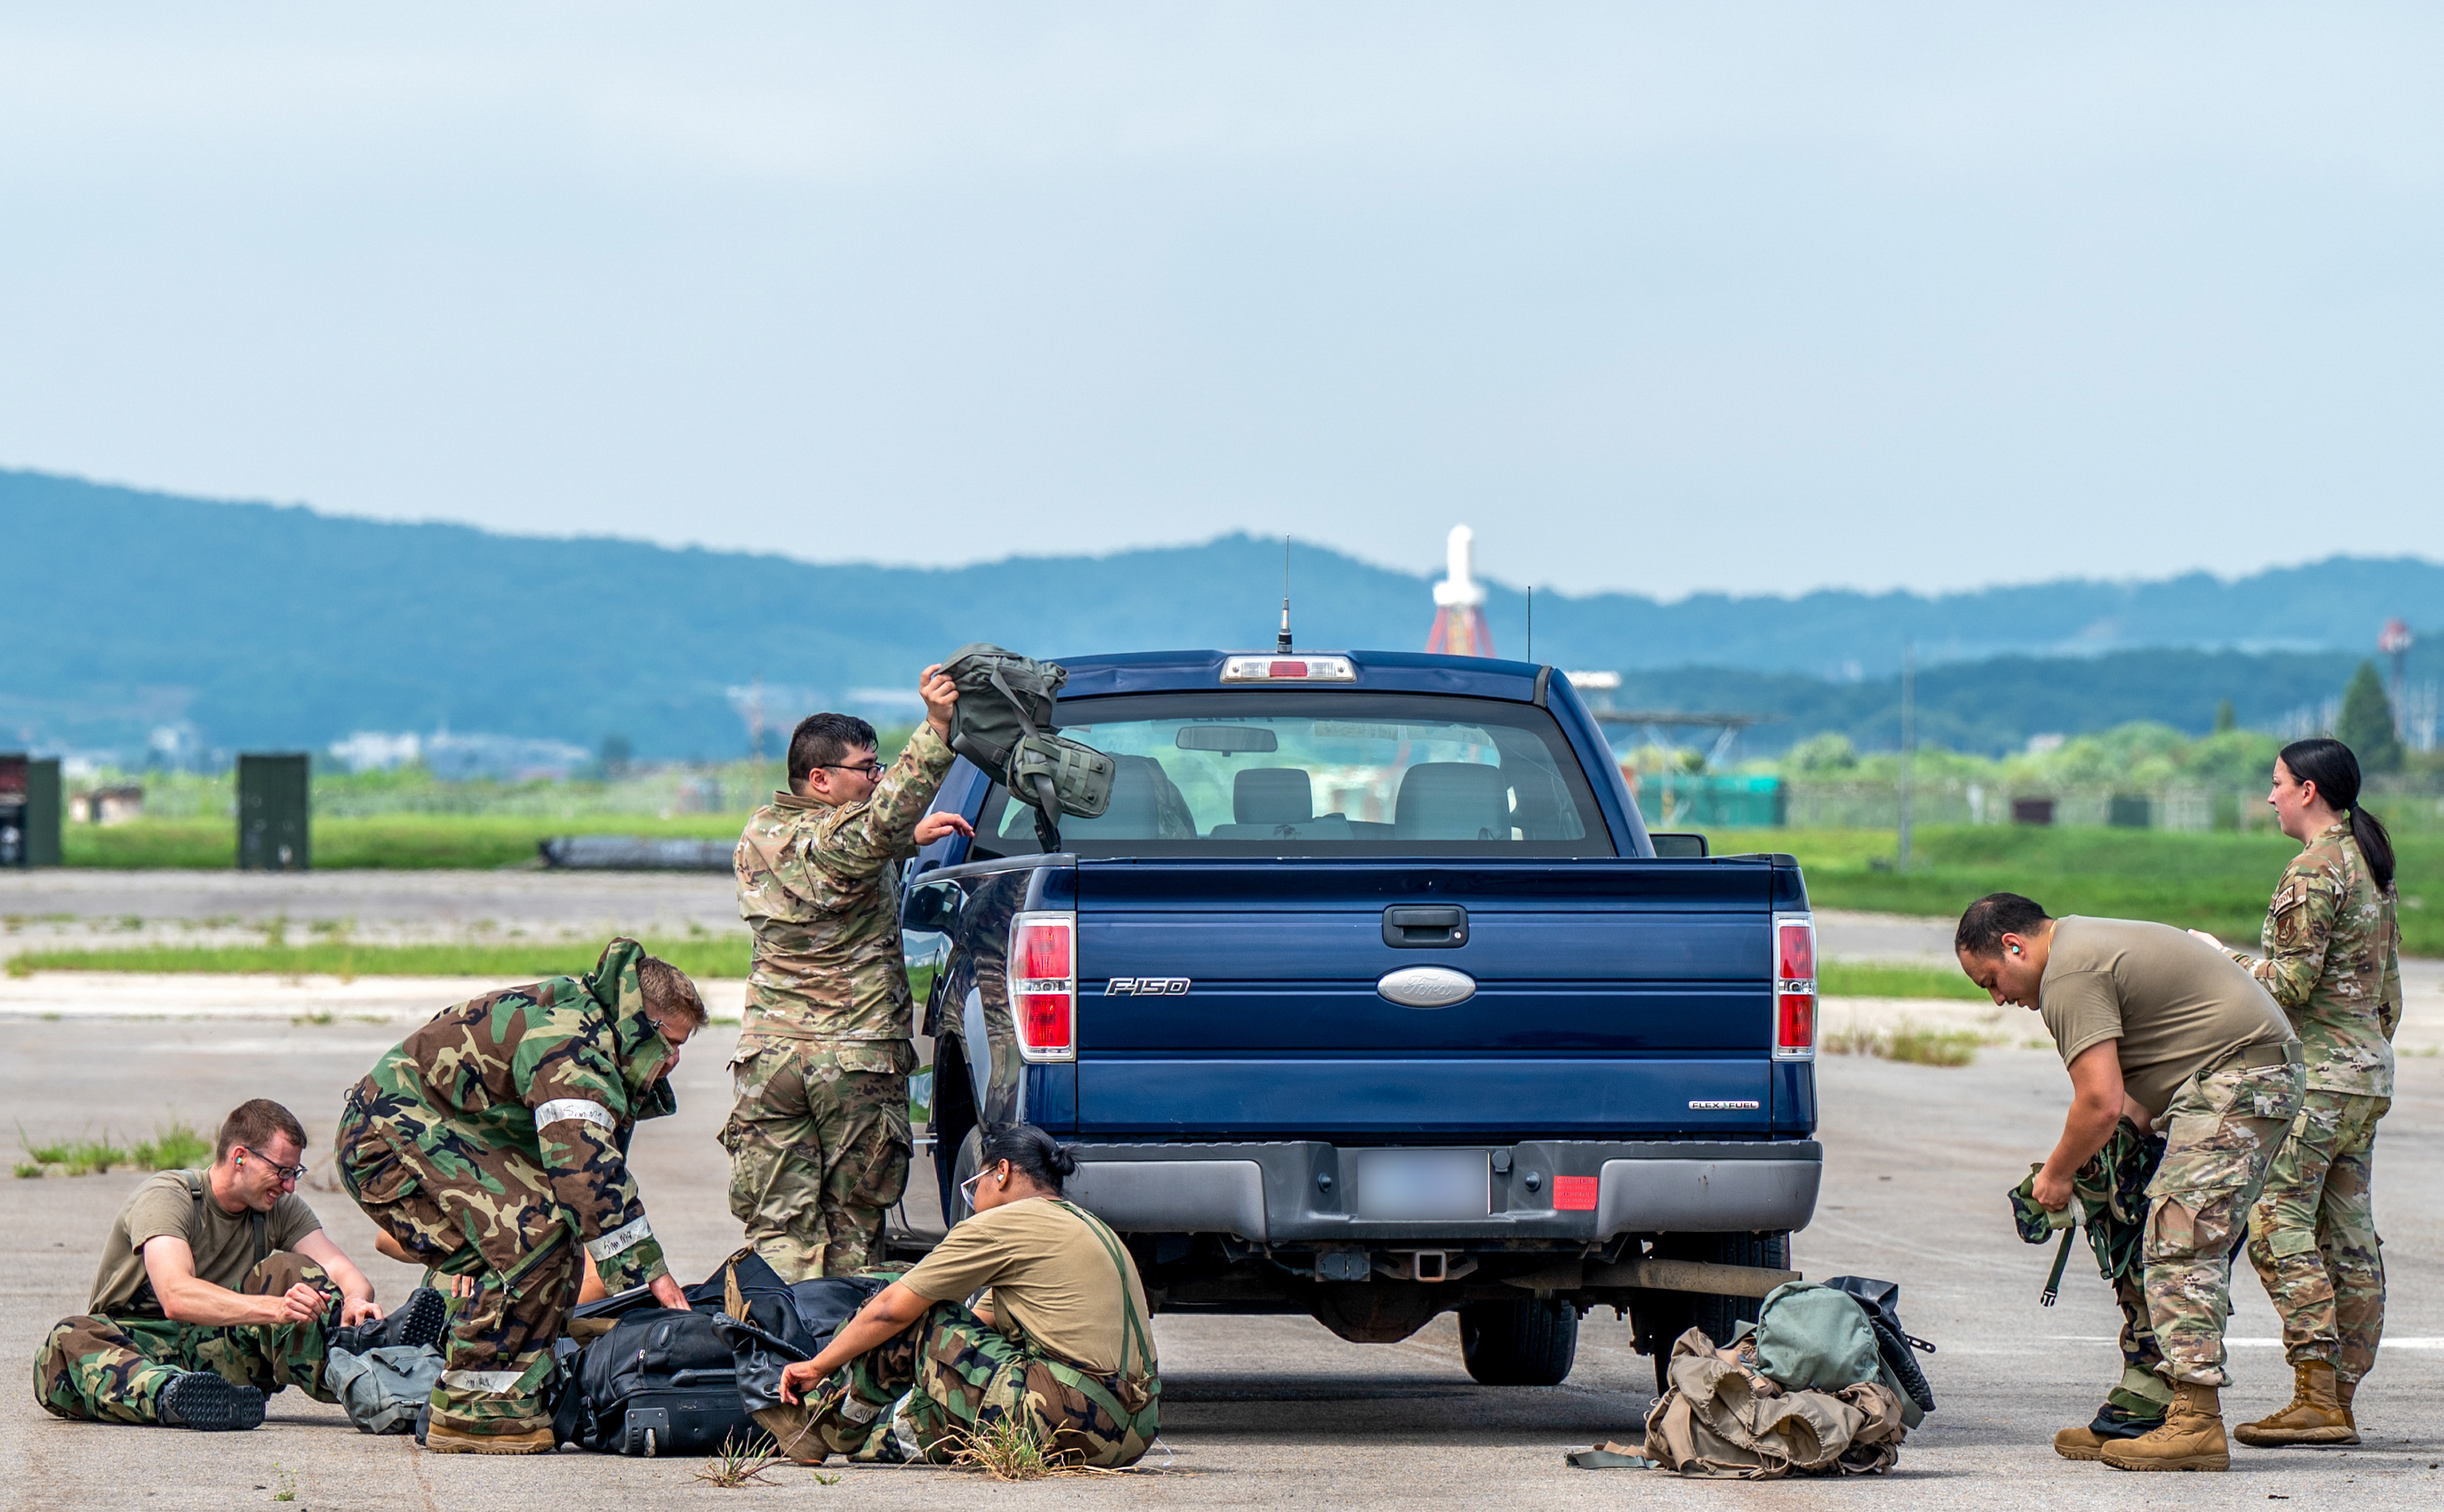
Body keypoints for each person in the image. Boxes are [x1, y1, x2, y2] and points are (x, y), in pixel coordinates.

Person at [1956, 894, 2302, 1472]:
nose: (1999, 997)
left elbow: (2097, 1099)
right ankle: (2149, 1401)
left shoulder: (2068, 971)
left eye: (1992, 979)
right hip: (2231, 1076)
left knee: (2178, 1236)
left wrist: (2056, 1175)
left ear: (2014, 946)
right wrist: (2099, 1159)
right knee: (2137, 1209)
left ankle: (2194, 1421)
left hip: (2242, 1078)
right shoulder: (2081, 947)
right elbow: (2134, 1093)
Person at [335, 939, 706, 1454]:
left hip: (428, 1140)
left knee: (551, 1235)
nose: (675, 1059)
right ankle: (471, 1409)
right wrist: (651, 1276)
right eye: (672, 1043)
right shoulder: (570, 1043)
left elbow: (586, 1187)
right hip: (385, 1143)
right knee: (528, 1234)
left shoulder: (596, 1034)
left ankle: (511, 1387)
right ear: (644, 1022)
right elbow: (584, 1173)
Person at [724, 665, 972, 1281]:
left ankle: (775, 1358)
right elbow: (863, 835)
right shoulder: (848, 839)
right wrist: (937, 728)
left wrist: (901, 839)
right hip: (852, 1059)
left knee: (778, 1224)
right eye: (867, 769)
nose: (877, 777)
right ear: (820, 778)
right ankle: (837, 1363)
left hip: (772, 1060)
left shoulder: (762, 830)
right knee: (854, 1227)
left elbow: (851, 843)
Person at [2191, 738, 2400, 1448]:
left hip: (2318, 1081)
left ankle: (2316, 1389)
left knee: (2275, 1221)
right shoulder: (2370, 863)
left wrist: (2219, 959)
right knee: (2346, 1235)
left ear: (2309, 790)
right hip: (2366, 1076)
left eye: (2278, 783)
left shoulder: (2313, 870)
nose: (2272, 795)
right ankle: (2340, 1395)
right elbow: (2388, 993)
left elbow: (2285, 985)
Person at [760, 1123, 1160, 1468]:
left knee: (916, 1312)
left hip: (1066, 1420)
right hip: (1130, 1437)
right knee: (934, 1413)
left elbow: (890, 1314)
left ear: (1000, 1173)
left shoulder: (1004, 1223)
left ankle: (820, 1428)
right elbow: (980, 1326)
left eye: (975, 1186)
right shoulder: (1090, 1226)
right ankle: (880, 1434)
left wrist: (818, 1367)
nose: (973, 1200)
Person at [34, 1098, 438, 1431]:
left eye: (294, 1172)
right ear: (240, 1157)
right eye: (281, 1171)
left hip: (220, 1350)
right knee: (67, 1340)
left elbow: (342, 1270)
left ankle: (368, 1352)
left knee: (289, 1271)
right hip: (140, 1348)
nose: (290, 1185)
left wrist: (354, 1301)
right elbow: (176, 1295)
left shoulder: (280, 1208)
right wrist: (275, 1309)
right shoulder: (170, 1197)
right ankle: (177, 1397)